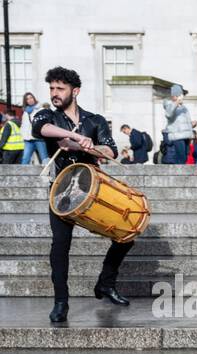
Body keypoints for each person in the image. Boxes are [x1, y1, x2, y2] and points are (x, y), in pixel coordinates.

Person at [33, 66, 134, 323]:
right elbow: (42, 129)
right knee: (60, 245)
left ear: (74, 91)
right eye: (52, 88)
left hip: (94, 188)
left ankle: (105, 284)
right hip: (63, 190)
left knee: (127, 232)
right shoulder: (47, 115)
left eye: (60, 89)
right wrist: (73, 136)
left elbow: (109, 152)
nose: (55, 93)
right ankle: (61, 302)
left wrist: (90, 146)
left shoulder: (95, 120)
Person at [161, 84, 193, 164]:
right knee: (180, 158)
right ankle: (179, 176)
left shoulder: (183, 107)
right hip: (177, 136)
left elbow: (181, 121)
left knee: (184, 157)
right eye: (181, 95)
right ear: (175, 96)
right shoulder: (170, 104)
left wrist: (191, 124)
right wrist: (176, 102)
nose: (182, 97)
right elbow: (168, 114)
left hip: (186, 135)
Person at [19, 92, 49, 164]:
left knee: (44, 159)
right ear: (25, 101)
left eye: (31, 98)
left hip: (39, 139)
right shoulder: (25, 111)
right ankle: (22, 175)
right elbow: (24, 125)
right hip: (28, 139)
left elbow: (44, 123)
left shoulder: (40, 109)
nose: (30, 100)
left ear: (34, 98)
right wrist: (23, 135)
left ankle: (47, 174)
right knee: (25, 159)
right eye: (27, 99)